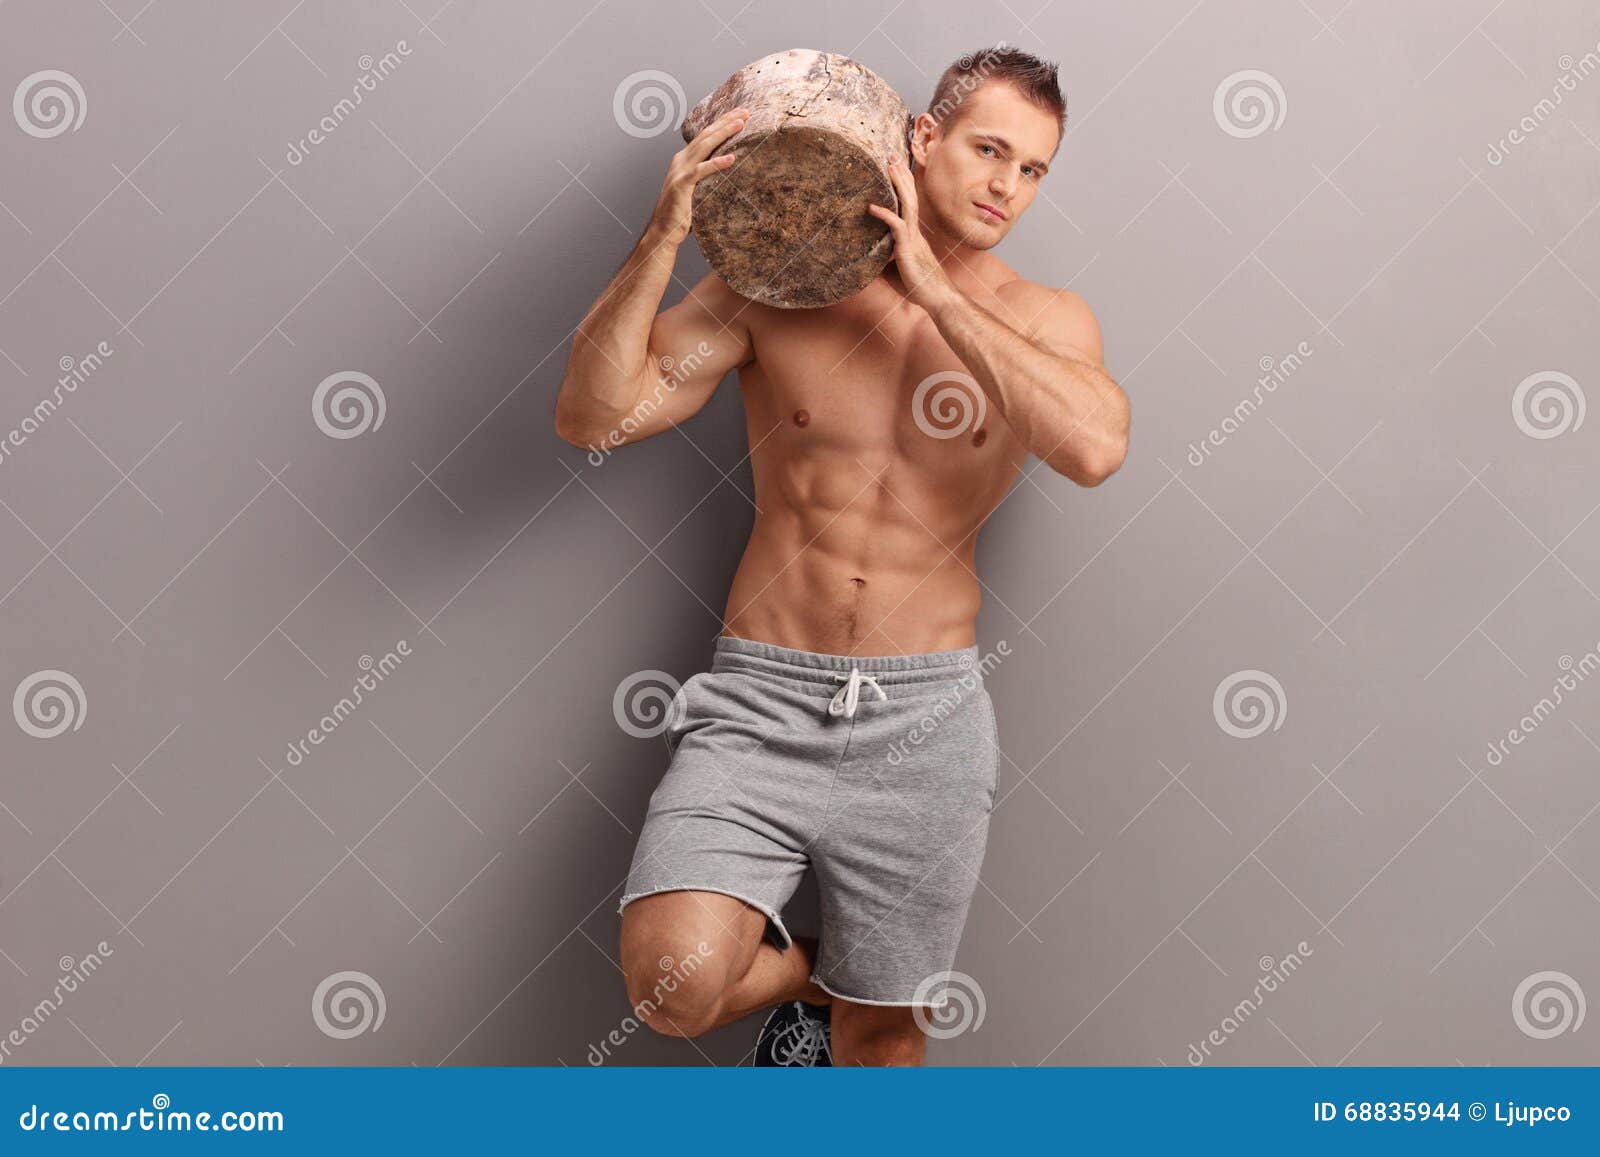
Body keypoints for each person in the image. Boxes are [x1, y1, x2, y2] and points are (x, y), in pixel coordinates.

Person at [556, 46, 1129, 1066]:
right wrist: (663, 234)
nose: (1006, 186)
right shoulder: (776, 289)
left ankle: (865, 999)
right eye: (988, 150)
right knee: (672, 985)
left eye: (1033, 169)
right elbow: (594, 415)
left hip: (927, 718)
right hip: (763, 701)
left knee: (880, 1041)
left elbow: (1092, 448)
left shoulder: (1043, 318)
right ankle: (833, 975)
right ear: (924, 138)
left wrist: (939, 296)